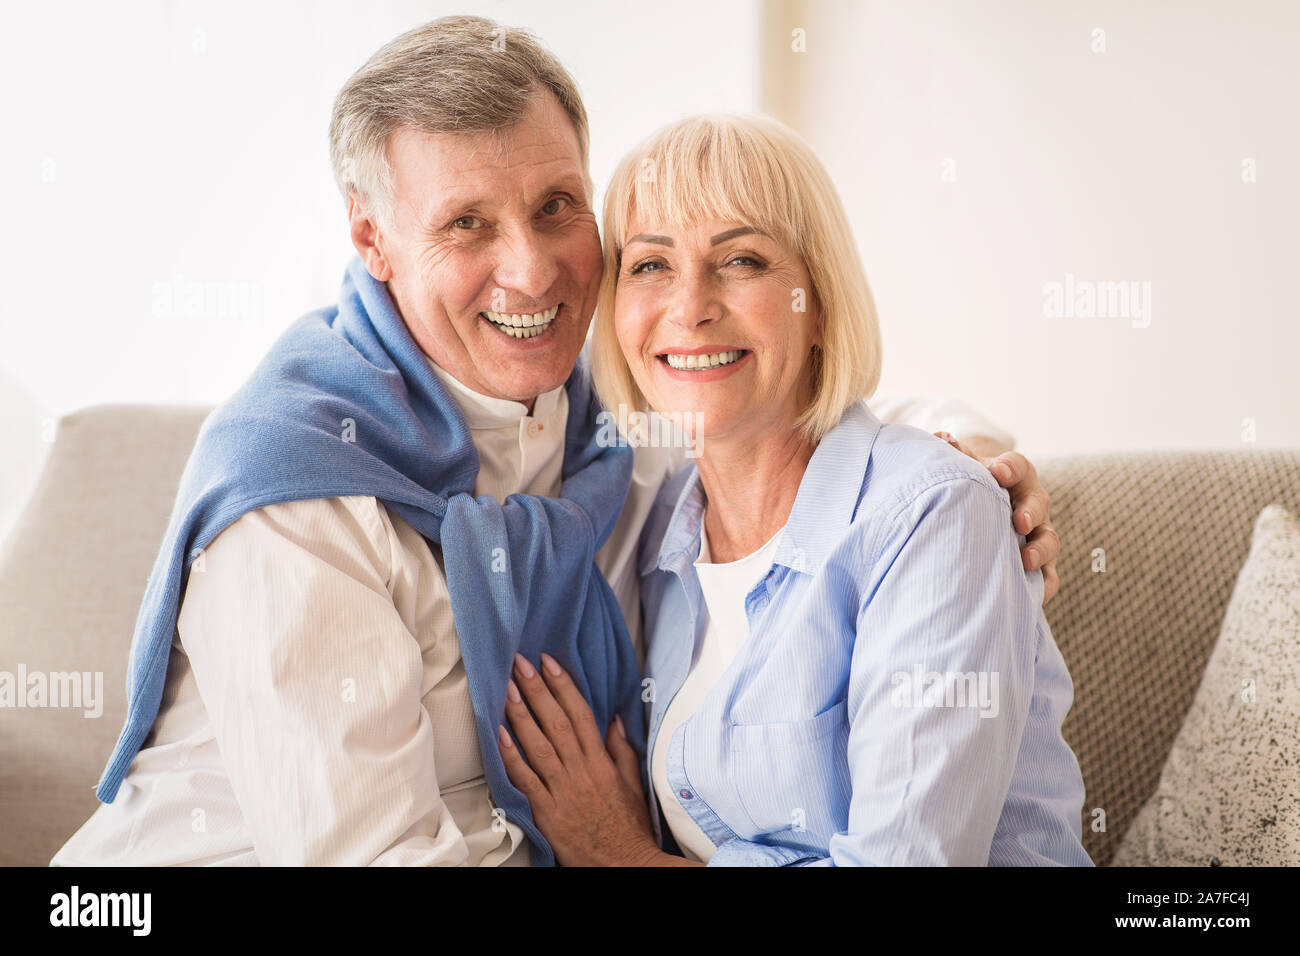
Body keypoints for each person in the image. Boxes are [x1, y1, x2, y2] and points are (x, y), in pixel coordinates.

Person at [52, 17, 1059, 868]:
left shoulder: (612, 436)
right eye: (465, 225)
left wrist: (962, 449)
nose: (531, 273)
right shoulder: (294, 494)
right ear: (371, 241)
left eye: (554, 208)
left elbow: (778, 414)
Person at [497, 114, 1092, 866]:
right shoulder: (661, 529)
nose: (689, 307)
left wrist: (618, 853)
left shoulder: (937, 516)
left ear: (821, 305)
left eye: (742, 260)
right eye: (649, 266)